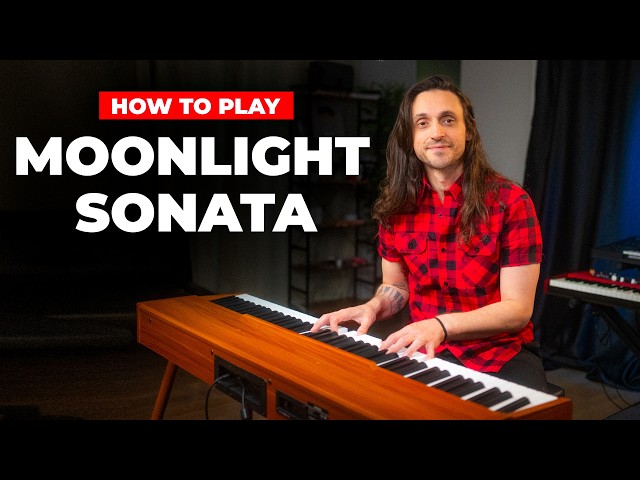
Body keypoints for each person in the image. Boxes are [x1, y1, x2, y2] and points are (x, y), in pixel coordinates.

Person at [310, 74, 550, 392]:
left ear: (469, 130)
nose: (436, 132)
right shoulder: (395, 207)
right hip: (421, 347)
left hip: (499, 353)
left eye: (448, 120)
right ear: (410, 136)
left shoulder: (511, 202)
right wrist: (373, 306)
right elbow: (396, 285)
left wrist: (441, 325)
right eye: (422, 123)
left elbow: (517, 310)